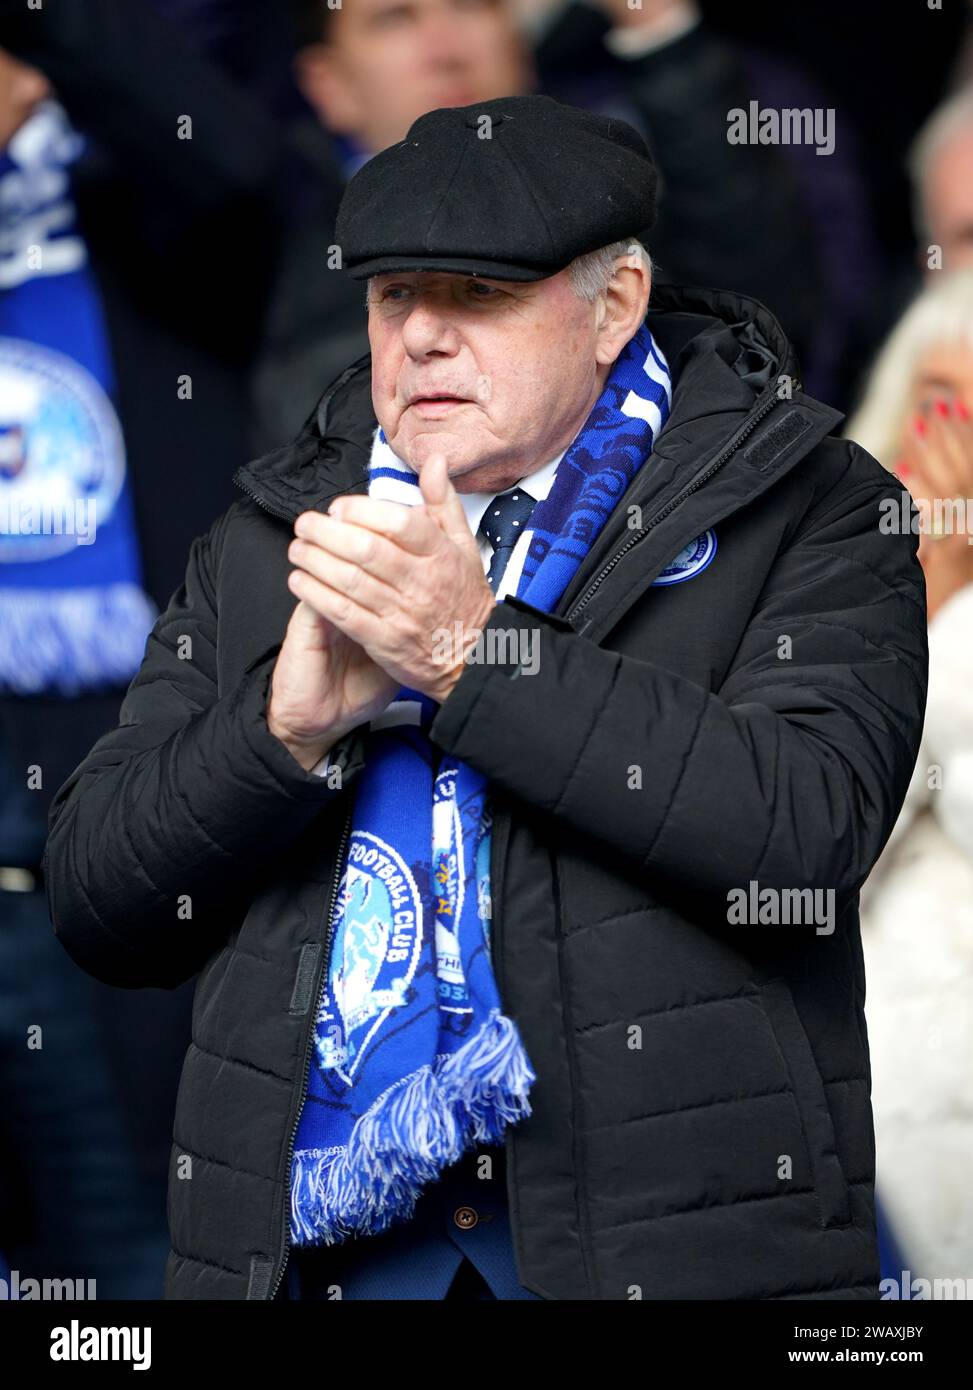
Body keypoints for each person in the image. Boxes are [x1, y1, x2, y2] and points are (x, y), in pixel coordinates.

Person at [45, 94, 927, 1301]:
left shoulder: (806, 500)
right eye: (396, 293)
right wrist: (279, 737)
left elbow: (806, 833)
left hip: (665, 1257)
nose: (420, 338)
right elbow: (102, 905)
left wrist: (472, 656)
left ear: (613, 305)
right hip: (311, 1264)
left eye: (480, 294)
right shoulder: (283, 524)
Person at [847, 268, 973, 1292]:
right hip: (875, 1154)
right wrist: (918, 602)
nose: (951, 448)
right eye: (939, 403)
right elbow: (826, 842)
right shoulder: (832, 595)